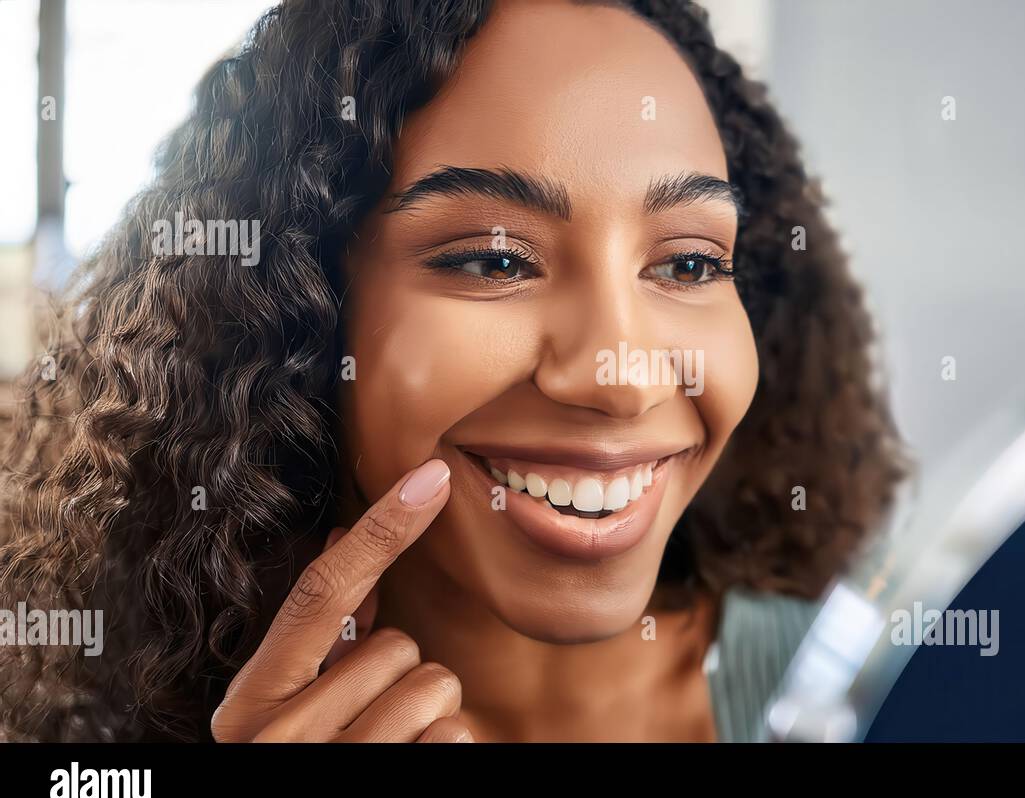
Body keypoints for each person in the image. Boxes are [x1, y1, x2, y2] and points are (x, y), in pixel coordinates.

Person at [0, 0, 904, 742]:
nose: (621, 377)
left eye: (690, 264)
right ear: (298, 309)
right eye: (496, 261)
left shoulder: (880, 688)